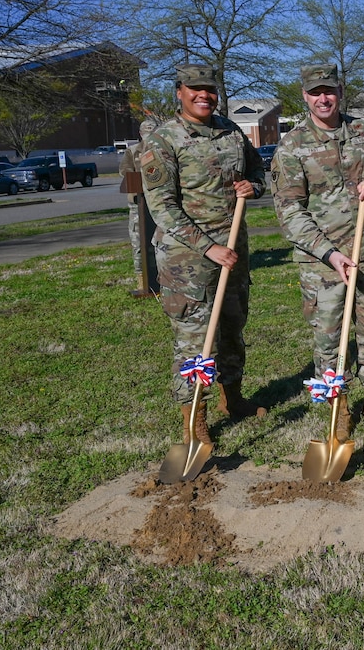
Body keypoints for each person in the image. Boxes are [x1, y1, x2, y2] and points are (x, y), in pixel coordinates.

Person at [271, 64, 364, 440]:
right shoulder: (293, 145)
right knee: (329, 336)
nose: (323, 98)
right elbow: (289, 211)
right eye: (315, 92)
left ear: (340, 91)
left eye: (329, 90)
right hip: (323, 261)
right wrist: (329, 254)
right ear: (305, 96)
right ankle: (339, 407)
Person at [140, 63, 267, 446]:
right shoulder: (164, 140)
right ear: (179, 91)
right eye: (194, 88)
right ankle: (194, 418)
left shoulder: (231, 131)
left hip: (233, 250)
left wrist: (253, 187)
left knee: (232, 326)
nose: (203, 95)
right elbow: (161, 207)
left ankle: (234, 399)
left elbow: (260, 172)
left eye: (209, 89)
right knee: (195, 341)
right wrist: (208, 247)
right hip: (187, 260)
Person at [119, 116, 160, 295]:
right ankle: (142, 280)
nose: (148, 137)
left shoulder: (163, 150)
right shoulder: (133, 151)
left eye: (152, 134)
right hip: (138, 204)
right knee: (138, 243)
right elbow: (125, 171)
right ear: (140, 134)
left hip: (159, 203)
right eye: (146, 134)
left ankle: (163, 278)